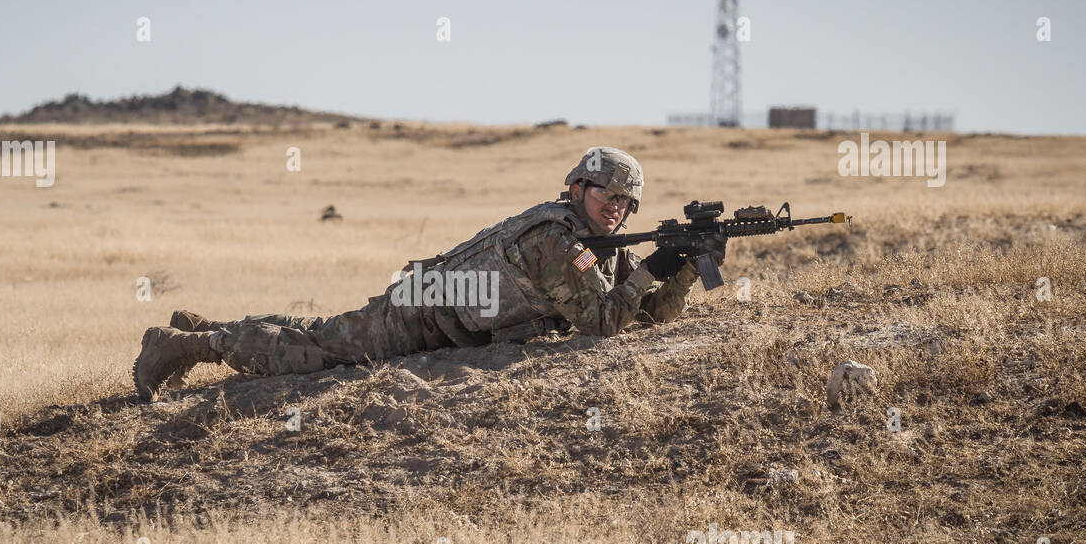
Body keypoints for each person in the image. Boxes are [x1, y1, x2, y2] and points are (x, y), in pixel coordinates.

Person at [132, 146, 725, 401]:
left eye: (627, 202)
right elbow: (601, 323)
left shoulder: (601, 244)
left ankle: (209, 324)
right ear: (577, 188)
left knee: (319, 330)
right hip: (426, 307)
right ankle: (189, 344)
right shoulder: (554, 238)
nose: (616, 207)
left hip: (450, 314)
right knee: (315, 352)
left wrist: (680, 269)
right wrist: (656, 265)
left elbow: (648, 317)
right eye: (606, 194)